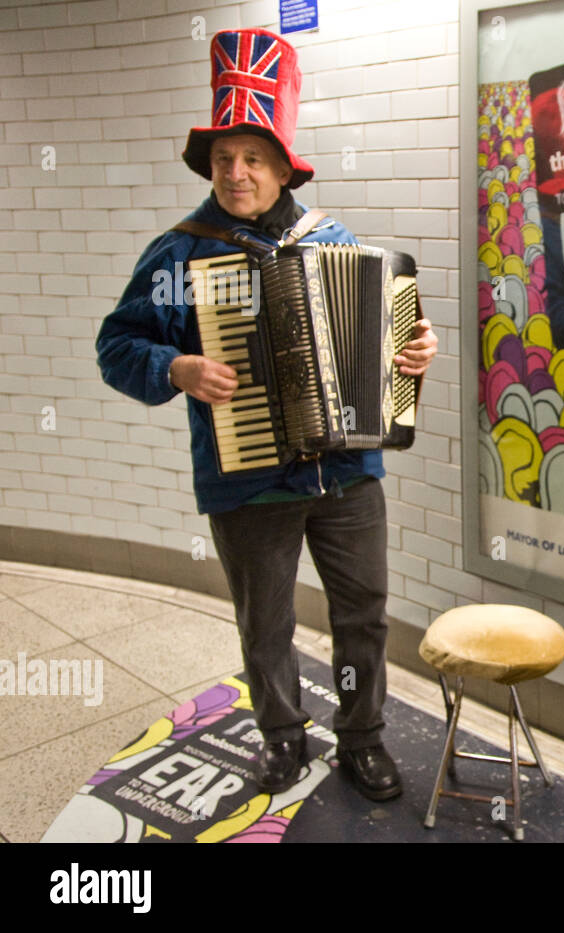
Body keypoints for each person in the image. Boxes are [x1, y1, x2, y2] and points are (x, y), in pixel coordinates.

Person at [96, 28, 436, 802]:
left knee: (362, 616)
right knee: (266, 624)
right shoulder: (178, 255)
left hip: (347, 472)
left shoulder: (334, 239)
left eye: (253, 157)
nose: (237, 172)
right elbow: (117, 345)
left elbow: (392, 340)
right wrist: (175, 366)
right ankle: (283, 738)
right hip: (246, 479)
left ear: (283, 165)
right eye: (224, 159)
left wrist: (413, 354)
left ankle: (363, 737)